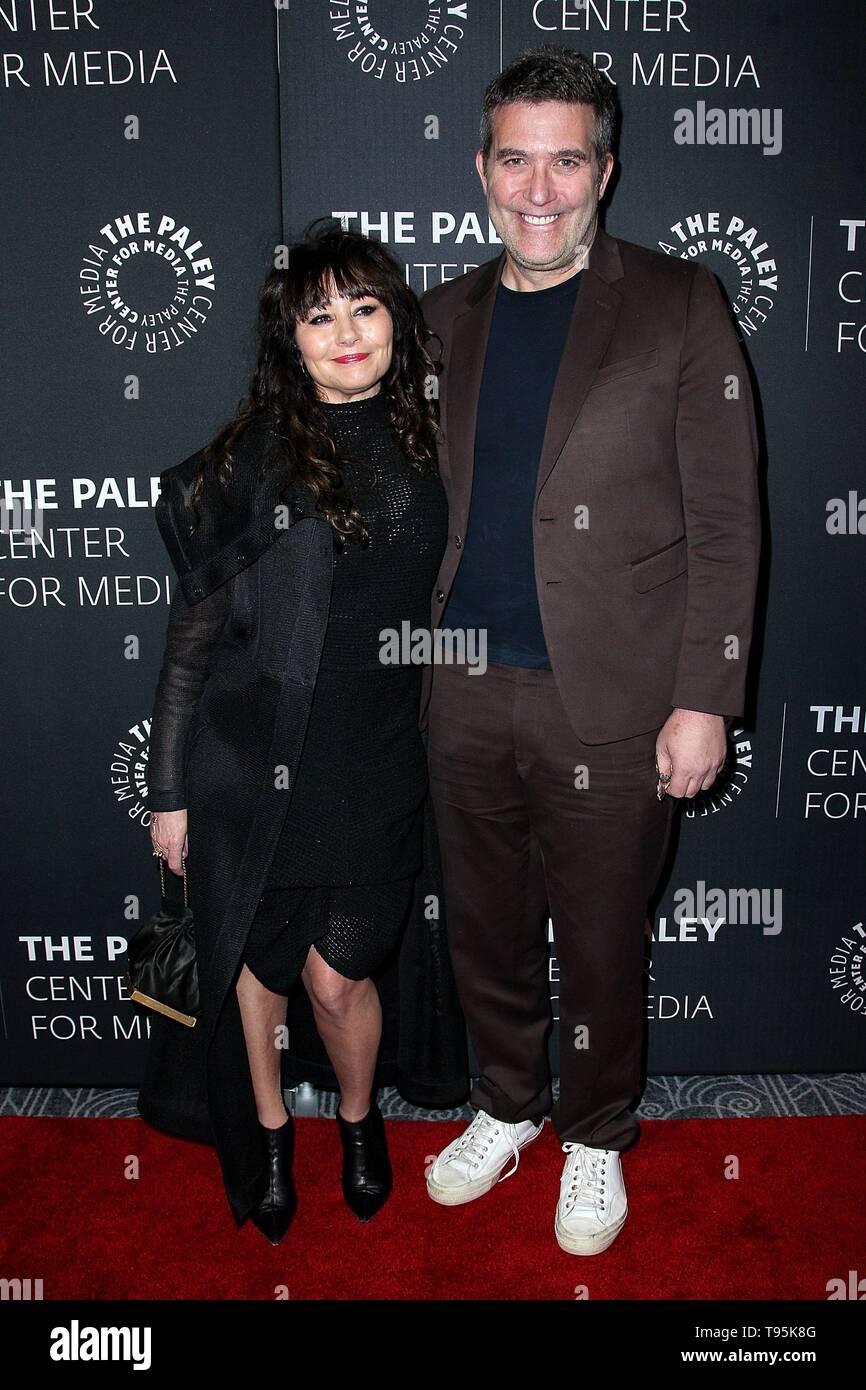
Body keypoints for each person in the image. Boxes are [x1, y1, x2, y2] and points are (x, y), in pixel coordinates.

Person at [419, 46, 762, 1255]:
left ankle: (594, 1135)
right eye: (514, 158)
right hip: (459, 683)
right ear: (480, 168)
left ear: (604, 171)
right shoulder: (440, 316)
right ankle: (506, 1103)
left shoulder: (676, 302)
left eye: (566, 159)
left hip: (612, 700)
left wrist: (703, 696)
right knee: (482, 926)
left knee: (606, 939)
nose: (538, 186)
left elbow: (725, 520)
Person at [141, 220, 459, 1245]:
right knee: (256, 973)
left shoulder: (431, 437)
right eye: (318, 316)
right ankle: (273, 1132)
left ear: (395, 321)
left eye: (363, 307)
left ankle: (359, 1119)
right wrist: (169, 791)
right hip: (251, 770)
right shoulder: (246, 462)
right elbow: (189, 645)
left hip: (376, 764)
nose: (346, 332)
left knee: (337, 975)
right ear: (289, 339)